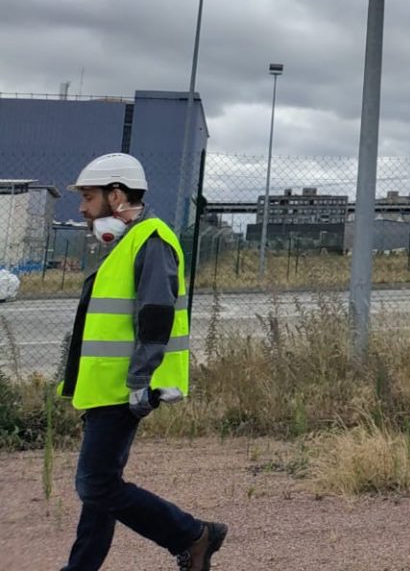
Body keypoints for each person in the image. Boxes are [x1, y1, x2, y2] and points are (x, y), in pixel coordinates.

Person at [57, 153, 226, 571]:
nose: (81, 208)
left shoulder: (151, 238)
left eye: (88, 197)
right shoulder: (127, 244)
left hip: (125, 388)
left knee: (95, 484)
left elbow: (155, 315)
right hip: (105, 388)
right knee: (101, 488)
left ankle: (192, 535)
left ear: (116, 196)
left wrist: (139, 379)